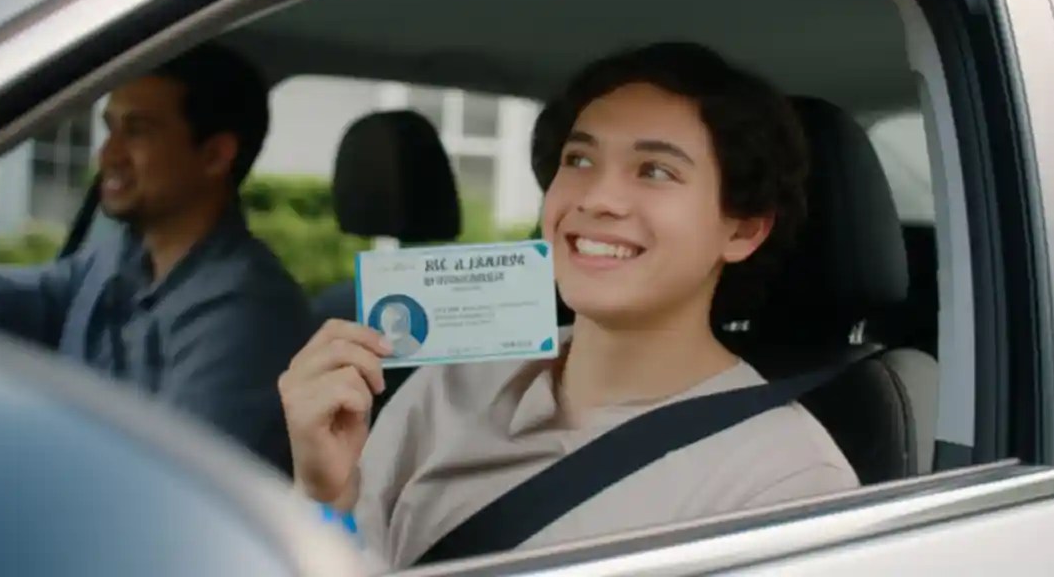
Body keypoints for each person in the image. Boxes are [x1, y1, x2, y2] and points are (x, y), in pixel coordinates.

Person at [278, 43, 858, 567]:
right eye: (579, 160)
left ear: (743, 231)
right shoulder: (454, 382)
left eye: (655, 171)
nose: (599, 198)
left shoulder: (789, 479)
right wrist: (326, 495)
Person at [0, 44, 313, 472]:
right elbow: (10, 298)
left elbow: (169, 485)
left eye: (138, 131)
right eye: (110, 129)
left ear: (214, 155)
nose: (107, 155)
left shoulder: (245, 312)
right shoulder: (117, 260)